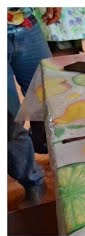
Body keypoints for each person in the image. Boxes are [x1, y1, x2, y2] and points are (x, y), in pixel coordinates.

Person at [8, 7, 54, 204]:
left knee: (49, 95)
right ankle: (33, 180)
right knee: (8, 120)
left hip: (26, 22)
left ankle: (42, 146)